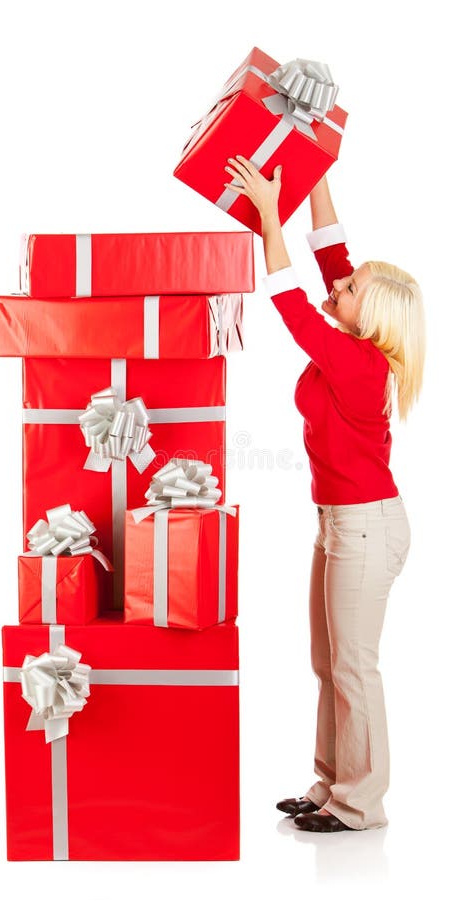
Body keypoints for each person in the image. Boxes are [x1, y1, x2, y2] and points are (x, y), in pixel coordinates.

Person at [224, 157, 426, 833]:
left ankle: (359, 805)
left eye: (347, 285)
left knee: (352, 665)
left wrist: (266, 215)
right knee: (326, 661)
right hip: (340, 524)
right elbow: (331, 246)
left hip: (365, 528)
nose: (335, 282)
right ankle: (331, 781)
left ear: (364, 311)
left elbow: (285, 298)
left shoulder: (357, 363)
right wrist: (310, 164)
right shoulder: (352, 339)